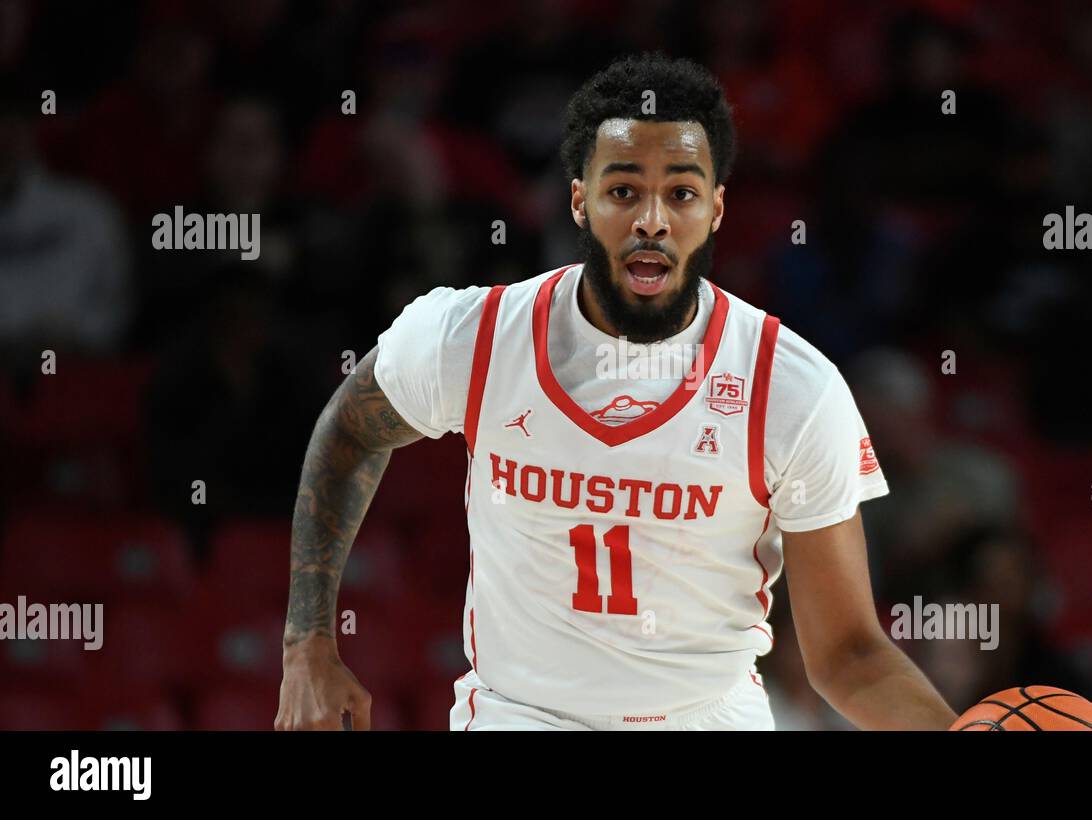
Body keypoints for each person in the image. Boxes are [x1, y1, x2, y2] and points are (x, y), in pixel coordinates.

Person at [275, 53, 955, 731]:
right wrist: (306, 645)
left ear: (717, 210)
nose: (652, 220)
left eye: (682, 193)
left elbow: (850, 656)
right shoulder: (473, 336)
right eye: (624, 190)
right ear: (579, 199)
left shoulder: (791, 387)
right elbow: (350, 429)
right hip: (521, 716)